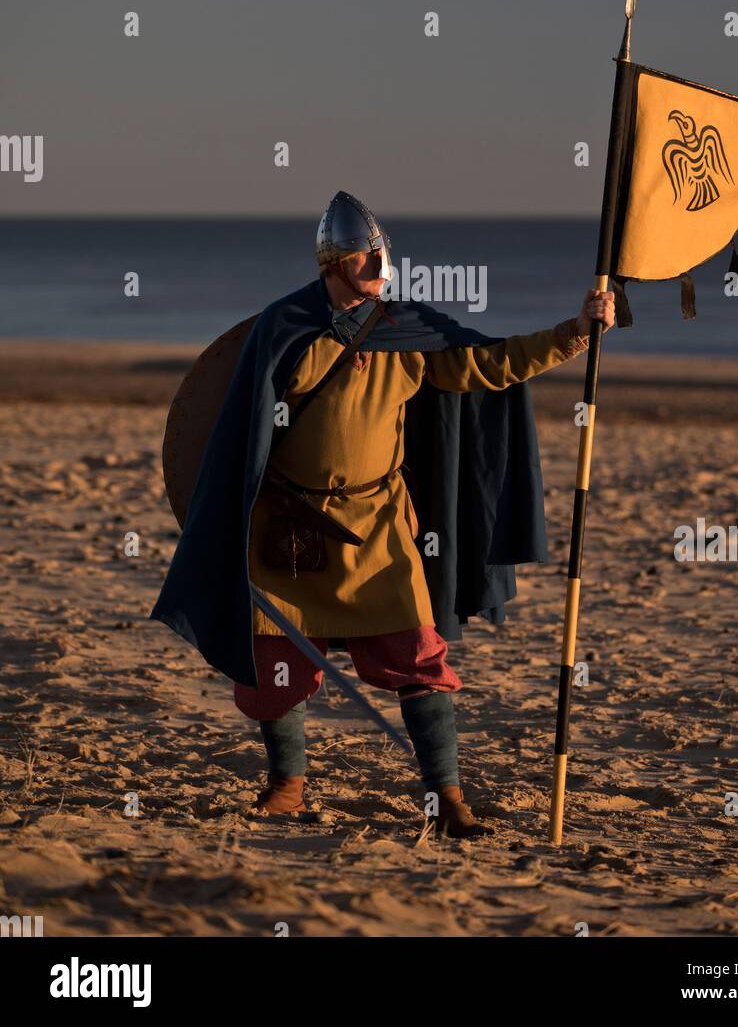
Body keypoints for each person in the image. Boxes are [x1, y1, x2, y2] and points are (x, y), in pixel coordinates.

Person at [152, 192, 614, 838]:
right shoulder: (284, 327)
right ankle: (286, 788)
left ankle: (447, 798)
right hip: (286, 528)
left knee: (419, 658)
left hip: (378, 528)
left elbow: (491, 364)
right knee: (274, 668)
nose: (377, 267)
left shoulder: (406, 331)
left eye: (381, 257)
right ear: (335, 262)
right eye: (365, 257)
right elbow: (241, 425)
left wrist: (575, 332)